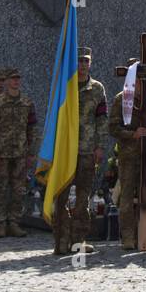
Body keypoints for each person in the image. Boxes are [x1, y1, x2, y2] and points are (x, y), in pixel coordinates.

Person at [52, 47, 107, 256]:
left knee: (84, 198)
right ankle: (61, 240)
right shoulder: (64, 87)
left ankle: (78, 240)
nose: (82, 65)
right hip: (65, 150)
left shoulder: (97, 88)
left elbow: (101, 119)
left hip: (86, 150)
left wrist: (100, 146)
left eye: (86, 61)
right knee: (61, 198)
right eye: (79, 61)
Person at [108, 78, 146, 250]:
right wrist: (132, 134)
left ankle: (145, 236)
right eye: (138, 80)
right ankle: (128, 237)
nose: (141, 84)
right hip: (129, 156)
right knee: (127, 196)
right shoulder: (121, 99)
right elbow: (112, 127)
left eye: (145, 80)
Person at [0, 68, 37, 238]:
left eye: (18, 78)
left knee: (18, 190)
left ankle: (14, 222)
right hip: (2, 153)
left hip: (20, 153)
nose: (16, 81)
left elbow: (31, 128)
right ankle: (0, 223)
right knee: (0, 189)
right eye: (12, 79)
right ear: (7, 81)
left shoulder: (27, 102)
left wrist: (31, 153)